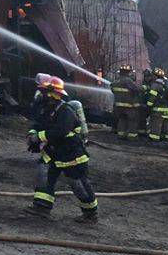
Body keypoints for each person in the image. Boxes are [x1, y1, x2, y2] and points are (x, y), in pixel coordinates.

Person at [25, 76, 98, 222]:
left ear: (52, 94)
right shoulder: (46, 109)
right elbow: (37, 124)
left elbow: (61, 131)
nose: (40, 95)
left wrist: (39, 137)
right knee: (44, 174)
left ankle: (90, 213)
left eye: (43, 92)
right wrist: (32, 134)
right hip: (53, 152)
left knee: (78, 184)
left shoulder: (66, 111)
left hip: (71, 154)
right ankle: (42, 207)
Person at [111, 64, 142, 140]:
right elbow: (136, 90)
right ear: (127, 72)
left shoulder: (115, 81)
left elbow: (113, 90)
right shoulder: (128, 81)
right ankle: (132, 136)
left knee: (122, 120)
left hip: (118, 106)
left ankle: (121, 135)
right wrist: (142, 89)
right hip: (129, 106)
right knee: (132, 120)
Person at [146, 68, 168, 142]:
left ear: (155, 76)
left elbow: (152, 98)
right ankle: (166, 137)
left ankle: (154, 139)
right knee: (166, 125)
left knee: (156, 125)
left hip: (158, 110)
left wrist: (148, 106)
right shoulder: (167, 85)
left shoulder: (155, 85)